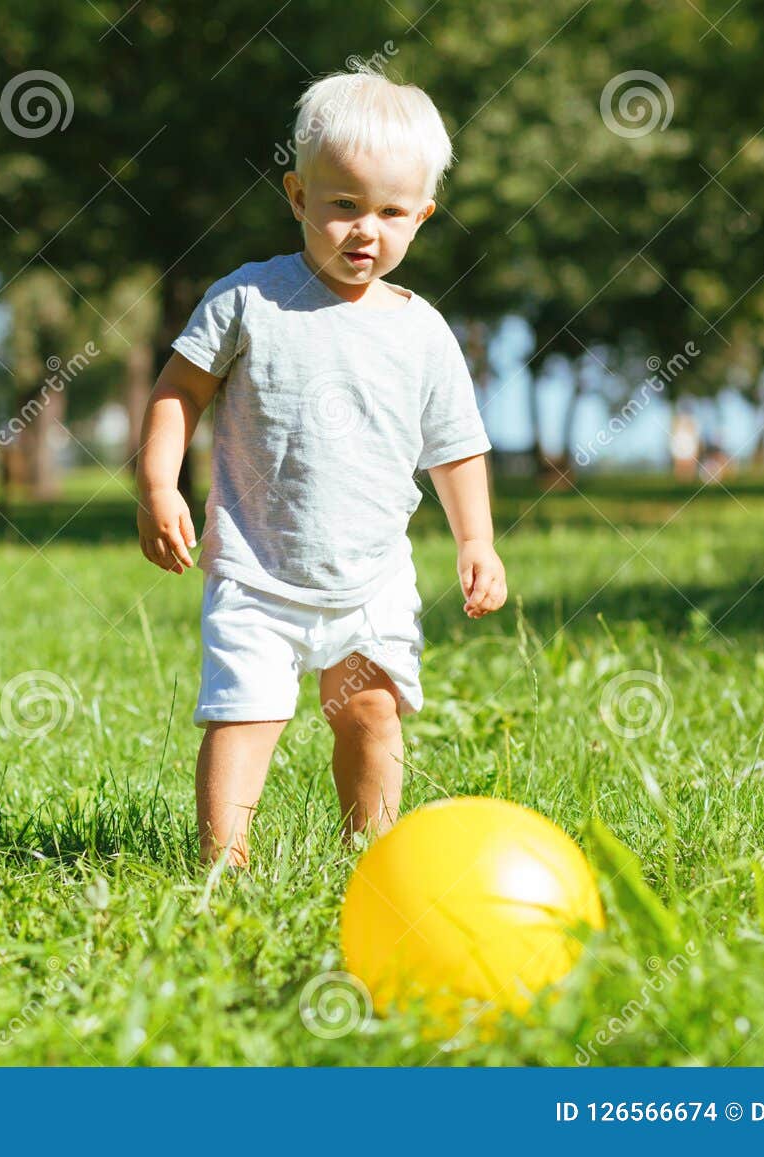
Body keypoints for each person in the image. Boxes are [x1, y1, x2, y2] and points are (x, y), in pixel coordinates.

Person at [133, 65, 506, 868]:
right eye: (343, 206)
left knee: (371, 711)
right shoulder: (249, 301)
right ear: (298, 197)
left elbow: (456, 445)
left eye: (391, 212)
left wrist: (476, 539)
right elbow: (178, 392)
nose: (365, 229)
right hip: (256, 572)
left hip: (371, 577)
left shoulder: (422, 333)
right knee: (245, 716)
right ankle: (221, 869)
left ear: (423, 216)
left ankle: (371, 857)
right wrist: (158, 483)